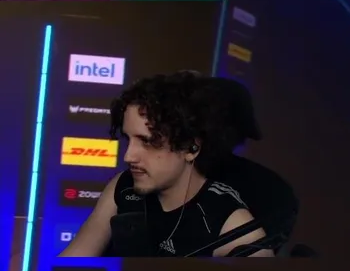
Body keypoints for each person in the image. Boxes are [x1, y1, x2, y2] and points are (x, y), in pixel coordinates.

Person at [59, 72, 273, 257]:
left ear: (191, 148)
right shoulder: (123, 186)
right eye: (128, 139)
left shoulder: (234, 227)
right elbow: (69, 269)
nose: (128, 156)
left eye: (147, 142)